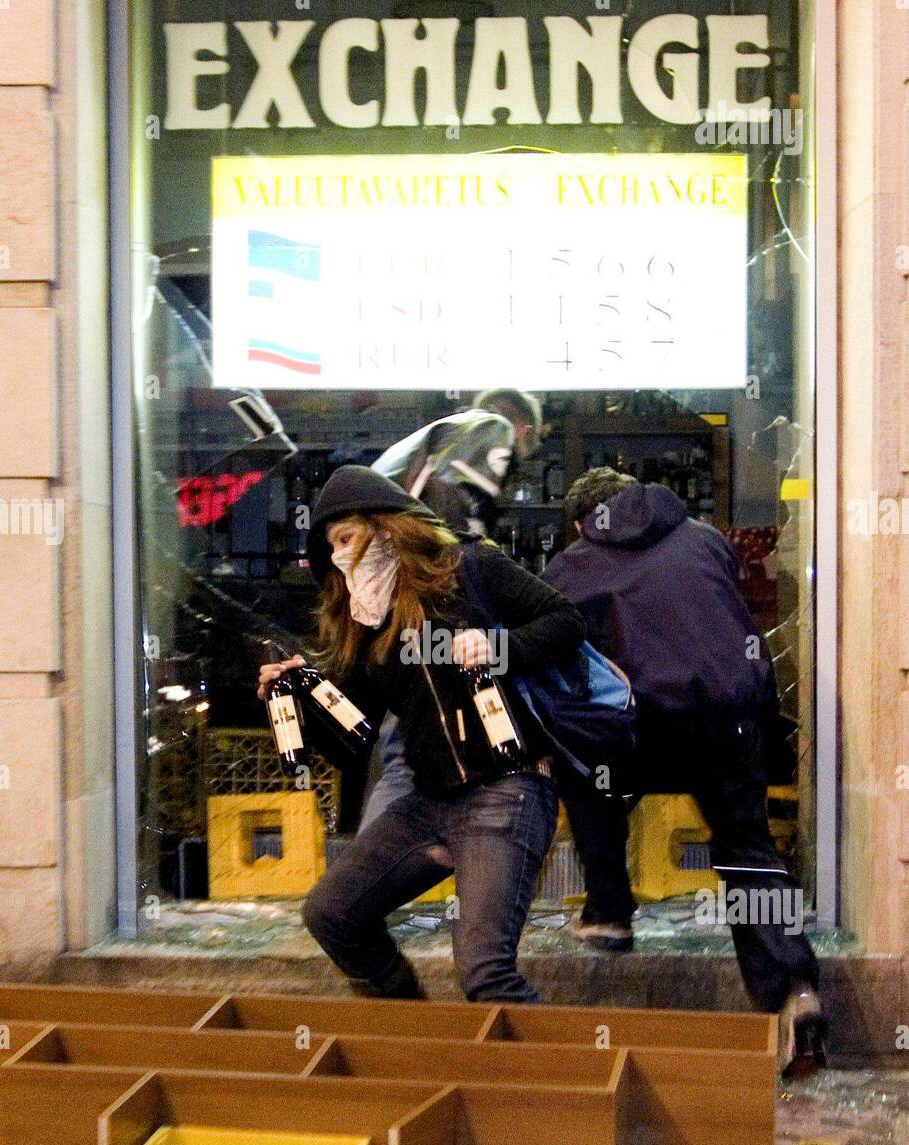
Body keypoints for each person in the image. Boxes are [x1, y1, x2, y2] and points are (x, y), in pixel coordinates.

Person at [257, 464, 584, 1003]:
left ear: (386, 527)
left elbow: (565, 621)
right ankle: (410, 1026)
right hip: (428, 801)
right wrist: (300, 694)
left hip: (506, 787)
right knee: (332, 913)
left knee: (485, 972)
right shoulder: (369, 626)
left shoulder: (471, 565)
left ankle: (567, 1079)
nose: (340, 556)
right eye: (331, 546)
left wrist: (498, 649)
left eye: (347, 537)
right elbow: (354, 741)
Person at [544, 467, 827, 1077]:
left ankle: (609, 913)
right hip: (731, 715)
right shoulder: (703, 537)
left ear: (579, 522)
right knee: (746, 851)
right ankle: (795, 990)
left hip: (644, 726)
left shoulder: (572, 564)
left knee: (585, 769)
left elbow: (562, 656)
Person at [360, 390, 542, 828]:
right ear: (525, 430)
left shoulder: (437, 438)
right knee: (413, 741)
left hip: (398, 597)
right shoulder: (490, 429)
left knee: (403, 737)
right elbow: (453, 505)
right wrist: (464, 578)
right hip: (429, 601)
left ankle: (376, 862)